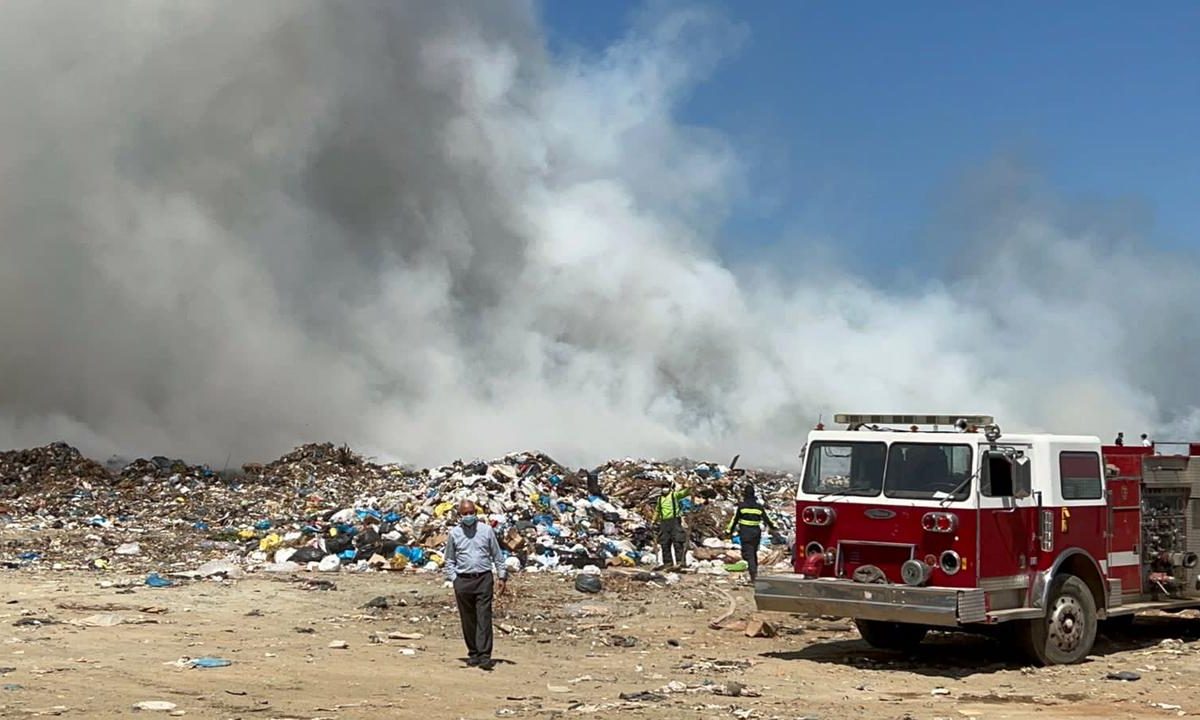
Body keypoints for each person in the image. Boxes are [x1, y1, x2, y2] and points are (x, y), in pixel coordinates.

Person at [443, 500, 507, 671]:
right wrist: (454, 578)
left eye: (471, 512)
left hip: (483, 578)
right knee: (468, 618)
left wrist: (502, 576)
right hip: (463, 580)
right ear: (460, 515)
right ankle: (473, 653)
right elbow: (449, 559)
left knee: (484, 617)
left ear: (476, 512)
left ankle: (485, 655)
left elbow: (497, 555)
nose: (468, 516)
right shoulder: (455, 533)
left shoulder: (486, 531)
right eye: (465, 513)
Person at [726, 484, 777, 582]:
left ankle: (753, 575)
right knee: (753, 553)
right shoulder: (758, 507)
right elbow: (767, 519)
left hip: (745, 533)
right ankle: (754, 572)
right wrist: (774, 527)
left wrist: (728, 531)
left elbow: (734, 520)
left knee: (748, 554)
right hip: (756, 533)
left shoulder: (742, 506)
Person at [654, 483, 691, 568]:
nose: (665, 489)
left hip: (674, 521)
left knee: (677, 541)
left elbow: (684, 493)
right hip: (664, 522)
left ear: (670, 488)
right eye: (663, 487)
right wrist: (653, 520)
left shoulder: (674, 495)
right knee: (665, 542)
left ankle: (680, 562)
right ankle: (667, 562)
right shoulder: (660, 499)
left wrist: (688, 487)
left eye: (666, 487)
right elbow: (657, 510)